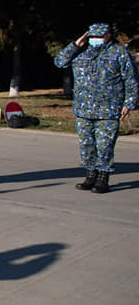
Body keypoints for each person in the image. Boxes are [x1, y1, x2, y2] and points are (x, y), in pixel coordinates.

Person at [54, 23, 138, 193]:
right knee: (86, 144)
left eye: (99, 36)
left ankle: (103, 178)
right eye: (92, 37)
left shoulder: (119, 53)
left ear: (108, 36)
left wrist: (129, 103)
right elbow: (59, 61)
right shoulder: (81, 52)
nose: (95, 40)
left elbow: (131, 79)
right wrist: (76, 44)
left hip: (108, 108)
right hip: (83, 108)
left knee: (105, 145)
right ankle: (90, 175)